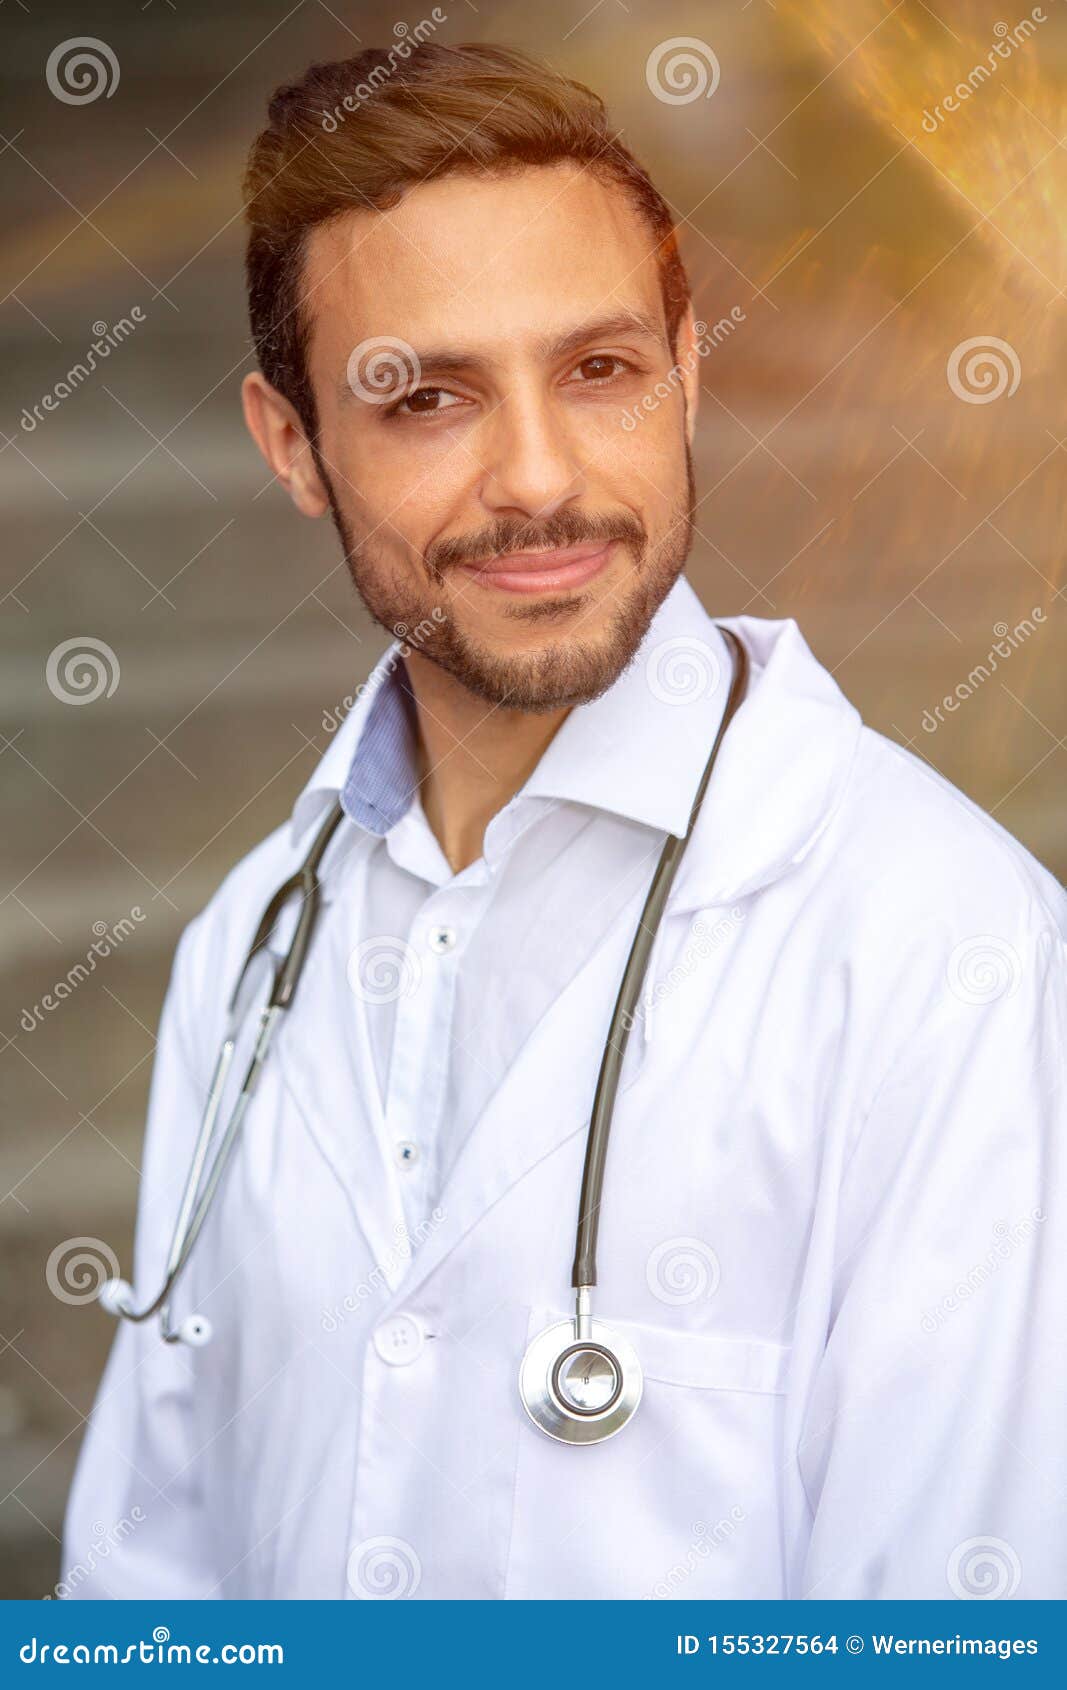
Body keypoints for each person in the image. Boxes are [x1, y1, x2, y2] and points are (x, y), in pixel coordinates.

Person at [63, 41, 1066, 1601]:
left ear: (686, 368)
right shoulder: (252, 945)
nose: (537, 479)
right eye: (425, 397)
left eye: (598, 371)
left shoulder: (948, 949)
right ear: (291, 445)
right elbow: (151, 1593)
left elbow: (957, 1631)